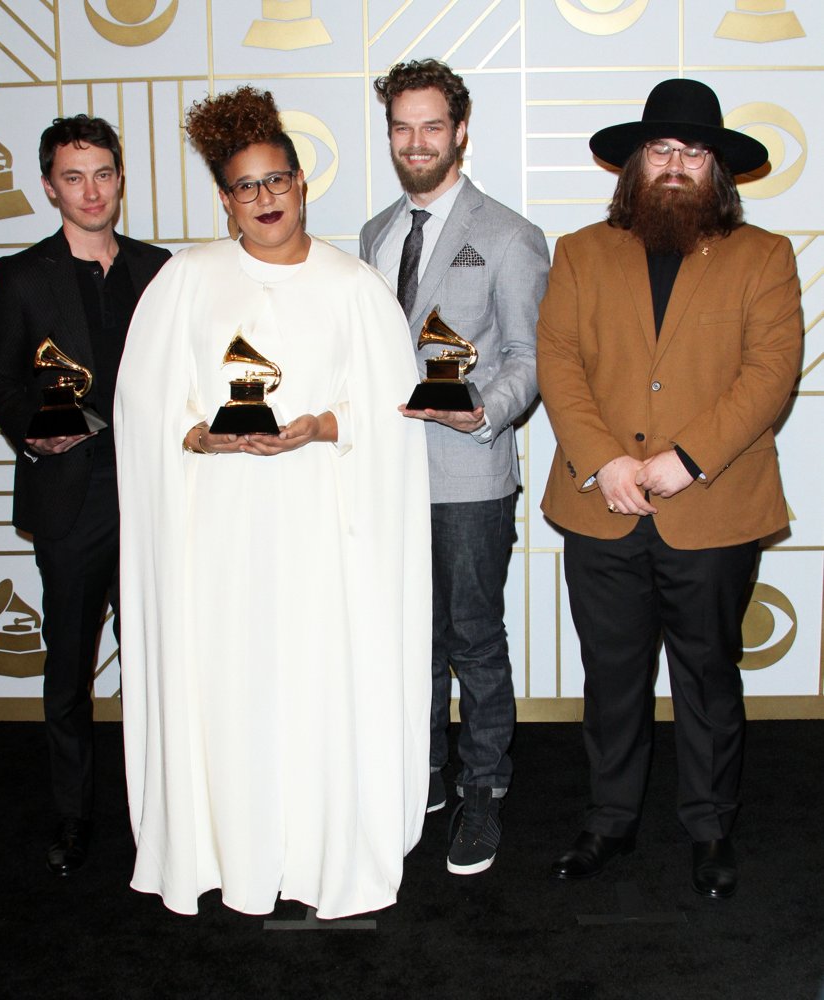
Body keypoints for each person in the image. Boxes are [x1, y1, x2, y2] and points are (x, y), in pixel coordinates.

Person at [113, 86, 432, 918]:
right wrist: (201, 437)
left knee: (312, 681)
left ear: (301, 183)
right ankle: (226, 851)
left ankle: (315, 851)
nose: (266, 200)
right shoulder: (185, 281)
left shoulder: (354, 287)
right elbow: (145, 409)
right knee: (227, 685)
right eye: (246, 187)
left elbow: (391, 415)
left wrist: (322, 423)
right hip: (216, 531)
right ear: (224, 199)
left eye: (278, 180)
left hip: (318, 530)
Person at [536, 78, 802, 898]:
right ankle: (608, 822)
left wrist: (688, 459)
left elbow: (768, 375)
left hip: (713, 508)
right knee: (610, 677)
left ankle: (709, 828)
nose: (677, 164)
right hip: (599, 505)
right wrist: (604, 462)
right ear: (634, 165)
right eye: (662, 148)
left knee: (706, 678)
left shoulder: (764, 256)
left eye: (693, 151)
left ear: (716, 169)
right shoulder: (579, 251)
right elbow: (559, 365)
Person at [360, 59, 549, 875]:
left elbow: (528, 355)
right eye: (401, 127)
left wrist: (485, 410)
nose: (415, 141)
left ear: (460, 131)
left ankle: (483, 792)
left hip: (469, 476)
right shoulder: (372, 235)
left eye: (431, 126)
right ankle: (427, 773)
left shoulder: (509, 235)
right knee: (411, 642)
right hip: (388, 479)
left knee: (473, 640)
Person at [0, 115, 170, 876]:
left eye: (102, 173)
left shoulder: (162, 269)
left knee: (160, 662)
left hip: (157, 495)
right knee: (68, 668)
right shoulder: (21, 275)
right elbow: (2, 382)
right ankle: (71, 816)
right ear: (48, 185)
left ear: (121, 178)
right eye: (72, 176)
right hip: (70, 499)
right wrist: (36, 432)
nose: (90, 191)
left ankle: (162, 811)